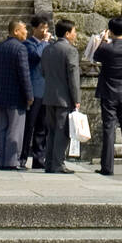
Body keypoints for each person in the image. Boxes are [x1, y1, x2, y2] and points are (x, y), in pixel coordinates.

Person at [94, 17, 122, 176]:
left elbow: (96, 56)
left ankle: (107, 166)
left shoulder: (107, 49)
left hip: (109, 91)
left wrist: (104, 40)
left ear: (110, 30)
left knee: (109, 129)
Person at [40, 18, 80, 173]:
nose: (75, 34)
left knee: (51, 131)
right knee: (62, 132)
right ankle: (58, 163)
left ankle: (49, 162)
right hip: (64, 97)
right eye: (74, 31)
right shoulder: (70, 50)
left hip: (49, 95)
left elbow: (42, 71)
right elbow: (73, 77)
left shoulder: (47, 49)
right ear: (67, 33)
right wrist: (76, 99)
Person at [0, 20, 32, 171]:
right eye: (24, 29)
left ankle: (1, 160)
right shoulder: (20, 49)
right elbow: (24, 75)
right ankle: (11, 161)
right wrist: (29, 95)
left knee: (1, 129)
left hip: (1, 95)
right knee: (15, 130)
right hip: (16, 97)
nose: (26, 32)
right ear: (16, 31)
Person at [21, 14, 52, 169]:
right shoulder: (28, 44)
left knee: (42, 127)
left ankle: (39, 158)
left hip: (46, 90)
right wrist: (45, 42)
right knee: (29, 126)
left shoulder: (48, 44)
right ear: (34, 28)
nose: (44, 31)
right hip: (34, 90)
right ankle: (23, 157)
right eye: (42, 27)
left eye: (46, 27)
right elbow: (36, 56)